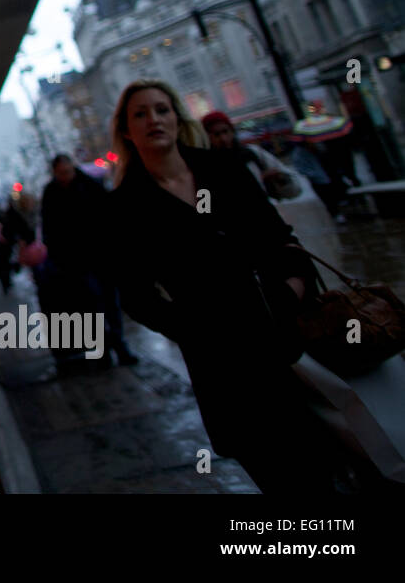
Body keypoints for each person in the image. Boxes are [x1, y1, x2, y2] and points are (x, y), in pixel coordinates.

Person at [107, 79, 346, 493]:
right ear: (127, 131)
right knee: (274, 472)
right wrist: (191, 328)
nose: (153, 120)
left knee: (325, 461)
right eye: (140, 114)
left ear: (177, 119)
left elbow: (279, 237)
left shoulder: (222, 168)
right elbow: (136, 296)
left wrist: (291, 290)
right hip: (220, 363)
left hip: (282, 333)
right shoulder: (127, 204)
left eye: (162, 110)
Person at [202, 111, 342, 269]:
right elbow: (204, 211)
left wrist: (279, 179)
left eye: (226, 132)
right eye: (216, 134)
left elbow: (293, 190)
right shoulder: (203, 169)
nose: (223, 139)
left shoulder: (252, 155)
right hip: (238, 245)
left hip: (272, 234)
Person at [41, 154, 138, 366]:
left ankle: (119, 345)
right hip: (74, 262)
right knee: (89, 306)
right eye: (61, 173)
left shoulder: (89, 185)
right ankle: (103, 349)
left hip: (100, 256)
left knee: (109, 303)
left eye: (67, 171)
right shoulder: (51, 193)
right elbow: (49, 227)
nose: (65, 176)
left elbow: (108, 215)